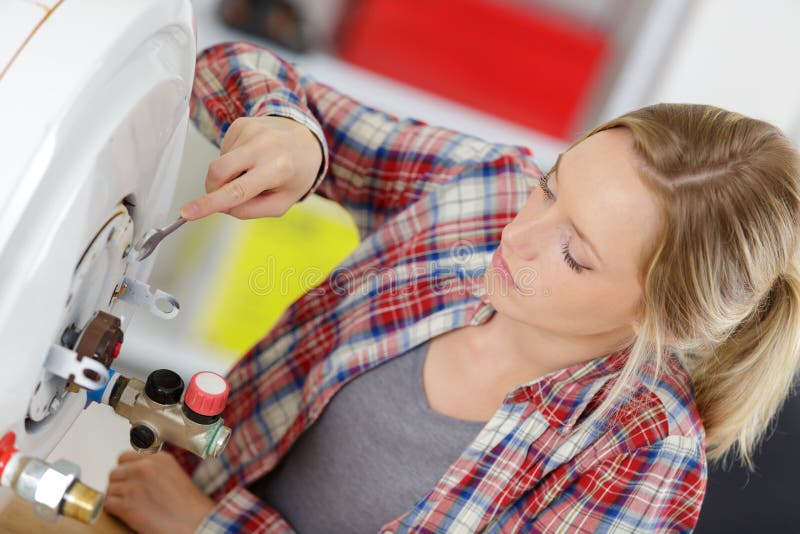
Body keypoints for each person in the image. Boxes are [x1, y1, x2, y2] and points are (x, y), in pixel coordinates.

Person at [102, 41, 800, 533]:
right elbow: (220, 67)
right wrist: (295, 135)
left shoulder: (642, 455)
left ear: (668, 323)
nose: (516, 237)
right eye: (550, 188)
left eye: (575, 255)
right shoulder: (488, 190)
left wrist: (211, 527)